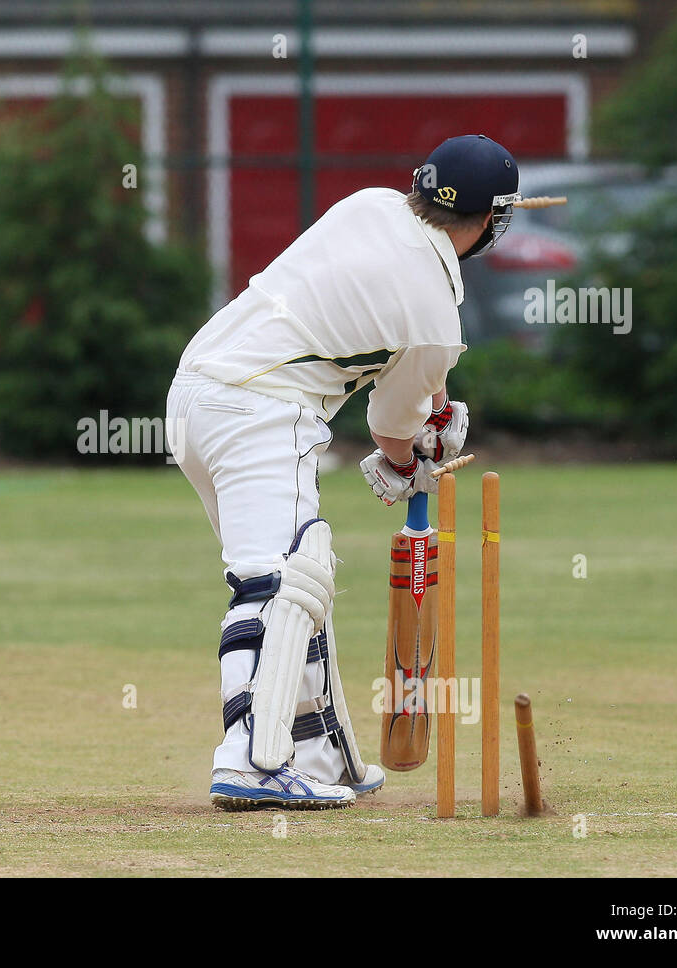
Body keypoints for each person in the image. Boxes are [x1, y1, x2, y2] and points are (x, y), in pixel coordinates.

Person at [166, 134, 520, 809]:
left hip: (193, 394)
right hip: (261, 407)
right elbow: (391, 428)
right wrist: (412, 461)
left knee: (302, 573)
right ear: (489, 222)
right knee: (279, 582)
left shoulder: (369, 206)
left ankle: (320, 753)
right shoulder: (439, 315)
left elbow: (387, 339)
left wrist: (432, 414)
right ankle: (252, 761)